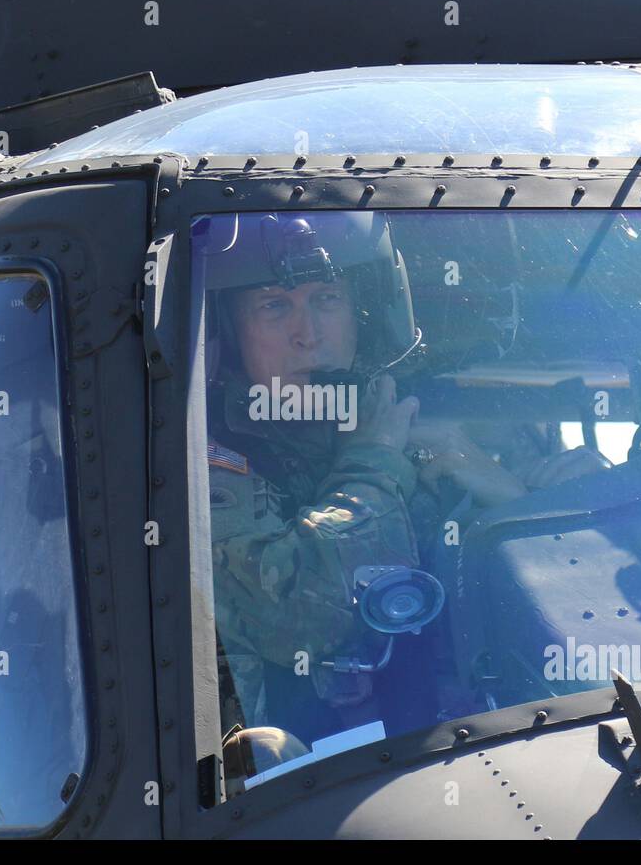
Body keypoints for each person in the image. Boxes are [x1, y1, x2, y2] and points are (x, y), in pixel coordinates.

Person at [199, 212, 606, 752]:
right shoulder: (207, 463)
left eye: (327, 299)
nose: (308, 335)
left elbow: (579, 616)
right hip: (304, 786)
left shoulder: (420, 427)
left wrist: (516, 501)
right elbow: (302, 616)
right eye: (275, 307)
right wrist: (375, 460)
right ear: (228, 331)